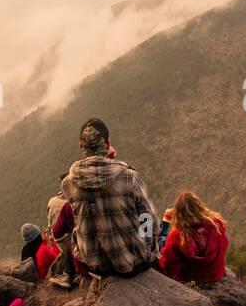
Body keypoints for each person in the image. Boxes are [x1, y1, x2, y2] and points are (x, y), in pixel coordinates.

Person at [53, 118, 159, 279]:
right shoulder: (129, 177)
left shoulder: (68, 183)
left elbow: (96, 180)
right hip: (134, 264)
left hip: (94, 266)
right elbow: (150, 220)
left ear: (81, 146)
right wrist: (146, 241)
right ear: (109, 143)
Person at [159, 190, 228, 285]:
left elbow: (169, 266)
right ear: (199, 206)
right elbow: (224, 245)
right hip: (215, 275)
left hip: (191, 279)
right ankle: (167, 220)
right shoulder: (216, 224)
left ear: (178, 213)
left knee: (161, 241)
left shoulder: (177, 235)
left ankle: (166, 220)